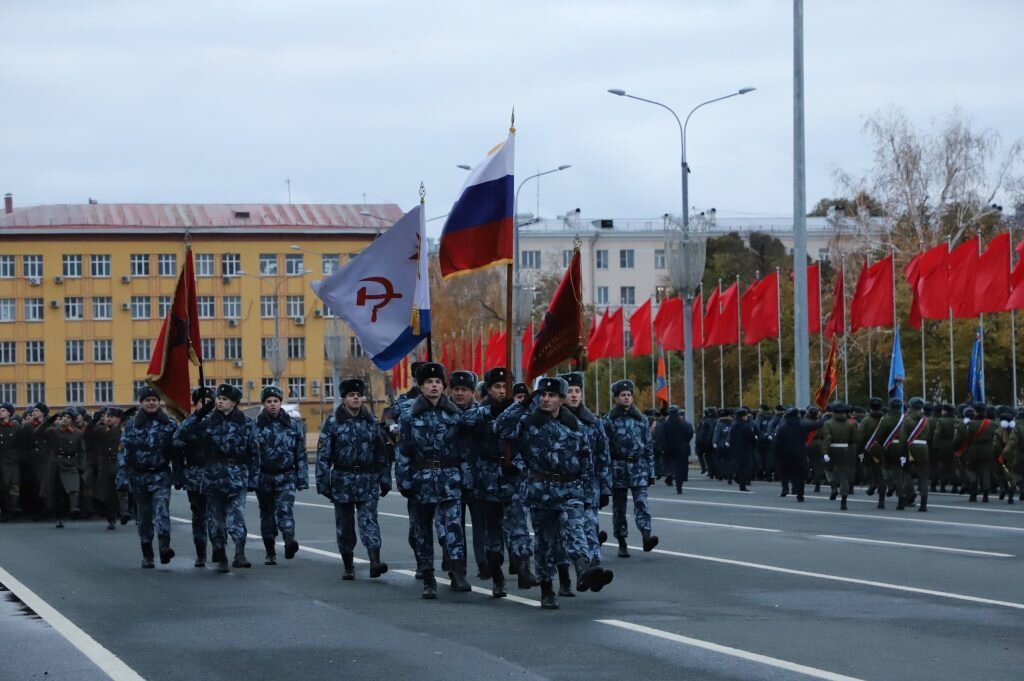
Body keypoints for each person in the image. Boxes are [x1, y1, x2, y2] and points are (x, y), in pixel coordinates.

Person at [496, 376, 613, 610]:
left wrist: (592, 493)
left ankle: (583, 569)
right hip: (541, 491)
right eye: (542, 395)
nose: (546, 399)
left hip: (570, 490)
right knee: (544, 542)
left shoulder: (576, 427)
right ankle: (547, 588)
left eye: (551, 395)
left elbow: (586, 461)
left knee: (575, 528)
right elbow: (501, 427)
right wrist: (521, 403)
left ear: (561, 399)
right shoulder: (528, 423)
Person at [395, 362, 471, 598]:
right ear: (420, 386)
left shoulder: (454, 414)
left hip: (449, 479)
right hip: (421, 480)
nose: (434, 386)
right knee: (422, 531)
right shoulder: (409, 415)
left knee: (453, 529)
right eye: (429, 382)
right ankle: (428, 577)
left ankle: (457, 574)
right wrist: (404, 480)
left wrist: (466, 478)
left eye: (438, 382)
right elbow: (403, 451)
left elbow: (463, 450)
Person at [461, 367, 539, 598]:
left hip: (512, 476)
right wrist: (496, 411)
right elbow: (467, 421)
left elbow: (528, 441)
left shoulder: (519, 413)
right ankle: (497, 576)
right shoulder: (480, 411)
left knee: (518, 526)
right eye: (497, 387)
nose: (502, 391)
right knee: (492, 532)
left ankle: (524, 567)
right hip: (486, 479)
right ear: (488, 389)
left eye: (505, 387)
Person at [174, 383, 259, 573]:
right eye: (219, 398)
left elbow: (254, 453)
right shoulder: (207, 422)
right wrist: (197, 414)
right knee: (215, 521)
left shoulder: (246, 423)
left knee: (237, 517)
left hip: (237, 474)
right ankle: (220, 552)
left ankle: (239, 553)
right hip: (213, 476)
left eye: (225, 399)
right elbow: (179, 435)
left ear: (234, 403)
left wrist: (253, 478)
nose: (220, 402)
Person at [317, 378, 391, 579]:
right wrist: (323, 483)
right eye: (352, 395)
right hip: (342, 479)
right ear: (344, 399)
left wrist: (385, 478)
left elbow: (381, 453)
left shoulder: (371, 422)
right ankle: (348, 565)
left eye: (358, 395)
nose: (356, 398)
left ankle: (375, 561)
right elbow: (323, 455)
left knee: (369, 521)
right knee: (345, 525)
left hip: (367, 479)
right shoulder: (333, 423)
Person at [556, 371, 610, 597]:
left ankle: (593, 568)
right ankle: (565, 578)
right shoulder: (555, 419)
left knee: (590, 526)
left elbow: (602, 454)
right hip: (563, 486)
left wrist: (605, 486)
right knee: (564, 531)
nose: (574, 395)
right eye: (569, 391)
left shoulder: (593, 422)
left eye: (577, 391)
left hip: (589, 485)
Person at [116, 386, 179, 567]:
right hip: (139, 477)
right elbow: (123, 454)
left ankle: (164, 547)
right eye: (147, 400)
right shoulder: (131, 426)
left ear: (159, 403)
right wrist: (121, 480)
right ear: (141, 403)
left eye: (154, 400)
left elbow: (176, 452)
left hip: (160, 475)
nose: (151, 403)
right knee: (144, 517)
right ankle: (147, 553)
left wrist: (179, 474)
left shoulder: (170, 424)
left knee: (162, 512)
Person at [253, 385, 308, 566]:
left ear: (281, 402)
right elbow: (251, 455)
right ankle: (270, 551)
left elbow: (300, 452)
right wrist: (250, 479)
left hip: (286, 476)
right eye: (269, 402)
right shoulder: (256, 426)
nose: (273, 405)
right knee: (267, 515)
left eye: (275, 401)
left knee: (285, 509)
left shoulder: (293, 425)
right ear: (264, 404)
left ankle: (289, 540)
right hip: (264, 477)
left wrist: (302, 478)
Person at [604, 379, 658, 558]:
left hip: (638, 466)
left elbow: (648, 447)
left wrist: (651, 471)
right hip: (618, 467)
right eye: (623, 395)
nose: (627, 398)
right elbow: (604, 448)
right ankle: (622, 541)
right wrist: (605, 473)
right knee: (619, 507)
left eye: (629, 395)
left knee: (641, 502)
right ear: (616, 398)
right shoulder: (609, 420)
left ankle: (646, 534)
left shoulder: (640, 419)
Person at [173, 387, 215, 567]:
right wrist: (179, 475)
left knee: (217, 515)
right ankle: (201, 552)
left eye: (208, 403)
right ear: (195, 404)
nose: (204, 406)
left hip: (216, 475)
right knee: (199, 516)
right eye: (200, 403)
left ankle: (219, 549)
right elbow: (176, 441)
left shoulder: (219, 422)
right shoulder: (189, 423)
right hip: (195, 475)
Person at [39, 410, 85, 528]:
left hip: (71, 464)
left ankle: (74, 507)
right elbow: (38, 432)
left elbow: (81, 451)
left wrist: (81, 466)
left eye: (68, 417)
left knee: (74, 487)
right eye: (64, 416)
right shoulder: (54, 431)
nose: (65, 419)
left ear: (72, 421)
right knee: (58, 492)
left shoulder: (78, 433)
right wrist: (49, 420)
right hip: (56, 463)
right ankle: (59, 517)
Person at [773, 408, 823, 502]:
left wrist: (776, 455)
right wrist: (825, 418)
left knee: (784, 472)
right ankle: (800, 494)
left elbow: (777, 442)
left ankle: (785, 488)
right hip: (800, 452)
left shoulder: (782, 427)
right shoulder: (802, 425)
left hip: (785, 453)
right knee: (800, 474)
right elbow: (816, 425)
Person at [954, 404, 996, 503]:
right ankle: (985, 495)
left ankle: (973, 494)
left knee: (971, 469)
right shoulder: (991, 423)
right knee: (985, 470)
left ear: (975, 412)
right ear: (984, 412)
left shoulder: (971, 424)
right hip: (988, 449)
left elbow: (968, 438)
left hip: (974, 449)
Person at [92, 407, 125, 530]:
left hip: (121, 462)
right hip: (106, 463)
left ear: (118, 419)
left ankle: (125, 513)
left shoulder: (123, 430)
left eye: (111, 417)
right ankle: (111, 519)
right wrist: (95, 419)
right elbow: (88, 434)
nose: (108, 419)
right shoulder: (101, 430)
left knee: (124, 490)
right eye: (107, 416)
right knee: (108, 493)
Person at [821, 404, 857, 510]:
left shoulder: (828, 423)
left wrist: (825, 452)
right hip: (845, 450)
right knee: (844, 476)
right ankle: (844, 502)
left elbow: (827, 439)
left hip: (832, 449)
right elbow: (853, 439)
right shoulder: (849, 424)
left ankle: (833, 487)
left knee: (828, 470)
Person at [900, 397, 931, 511]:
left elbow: (903, 438)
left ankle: (907, 495)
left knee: (905, 472)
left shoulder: (907, 420)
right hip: (924, 447)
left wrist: (902, 452)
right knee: (923, 475)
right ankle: (924, 504)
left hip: (910, 448)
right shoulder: (926, 420)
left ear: (911, 407)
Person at [655, 406, 693, 495]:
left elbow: (660, 436)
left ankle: (670, 474)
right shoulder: (685, 424)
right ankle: (679, 487)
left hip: (668, 449)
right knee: (680, 468)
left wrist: (660, 447)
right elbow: (689, 435)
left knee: (669, 465)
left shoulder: (664, 424)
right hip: (682, 449)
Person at [0, 403, 22, 521]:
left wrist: (19, 457)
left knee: (14, 485)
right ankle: (4, 511)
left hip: (13, 460)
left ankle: (14, 509)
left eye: (3, 410)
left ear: (9, 413)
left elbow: (22, 443)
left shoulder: (16, 426)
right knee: (2, 487)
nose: (0, 412)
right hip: (1, 460)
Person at [729, 408, 757, 492]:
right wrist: (754, 444)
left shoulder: (734, 425)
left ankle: (736, 477)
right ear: (743, 416)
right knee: (745, 467)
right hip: (746, 449)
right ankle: (742, 484)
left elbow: (731, 437)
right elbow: (751, 437)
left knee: (737, 465)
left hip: (735, 448)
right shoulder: (746, 426)